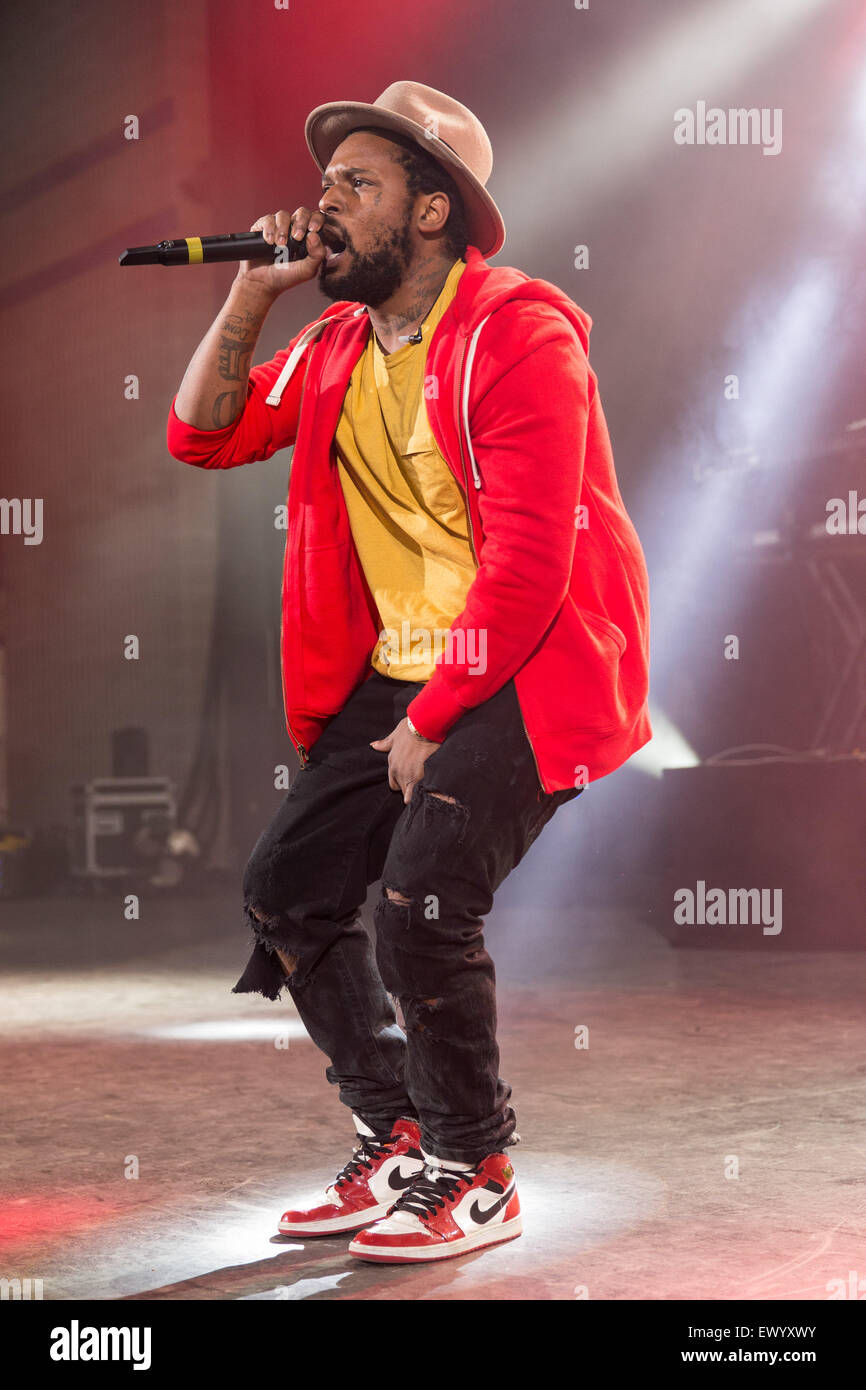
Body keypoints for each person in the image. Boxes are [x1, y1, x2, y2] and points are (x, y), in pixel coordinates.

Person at [167, 81, 651, 1265]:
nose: (320, 206)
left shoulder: (517, 332)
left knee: (423, 904)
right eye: (325, 183)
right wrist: (249, 293)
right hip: (393, 668)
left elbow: (533, 565)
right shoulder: (335, 343)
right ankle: (393, 1133)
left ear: (429, 213)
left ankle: (475, 1165)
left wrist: (435, 716)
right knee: (288, 893)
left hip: (528, 662)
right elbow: (200, 431)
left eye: (355, 186)